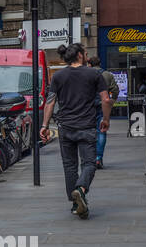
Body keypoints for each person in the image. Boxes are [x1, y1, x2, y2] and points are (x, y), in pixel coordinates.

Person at [40, 42, 111, 220]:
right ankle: (81, 189)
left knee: (69, 166)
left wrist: (44, 126)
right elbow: (106, 99)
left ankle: (76, 203)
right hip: (86, 126)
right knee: (89, 163)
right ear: (79, 55)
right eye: (85, 53)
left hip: (65, 127)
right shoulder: (94, 74)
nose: (87, 56)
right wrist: (106, 119)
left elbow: (50, 101)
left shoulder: (58, 76)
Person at [87, 56, 119, 169]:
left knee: (88, 132)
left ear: (90, 64)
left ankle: (89, 158)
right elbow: (115, 90)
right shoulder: (108, 75)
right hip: (102, 106)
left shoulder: (86, 74)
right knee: (101, 131)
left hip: (88, 108)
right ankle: (98, 159)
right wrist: (112, 102)